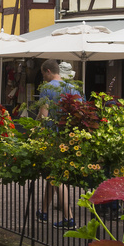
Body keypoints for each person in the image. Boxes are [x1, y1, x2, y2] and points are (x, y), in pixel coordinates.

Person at [35, 60, 82, 221]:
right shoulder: (73, 89)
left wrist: (35, 127)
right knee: (52, 175)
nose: (43, 78)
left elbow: (44, 115)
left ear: (48, 71)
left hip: (52, 139)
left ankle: (69, 218)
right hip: (68, 138)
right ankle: (43, 211)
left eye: (43, 74)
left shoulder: (47, 88)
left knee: (55, 177)